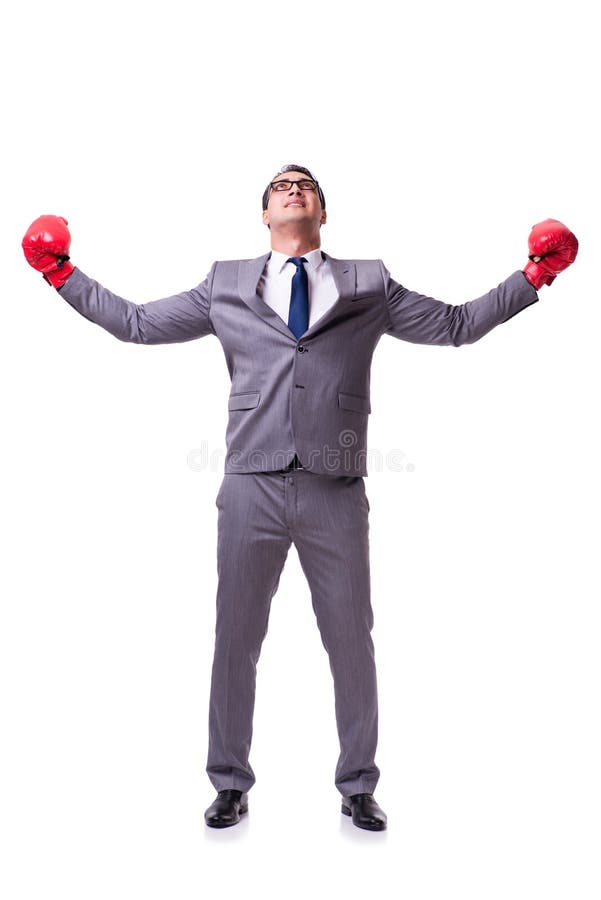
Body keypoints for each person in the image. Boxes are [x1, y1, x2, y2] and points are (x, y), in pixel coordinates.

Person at [22, 165, 578, 832]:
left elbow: (454, 325)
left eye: (306, 184)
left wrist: (534, 276)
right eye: (281, 185)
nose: (294, 188)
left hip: (334, 488)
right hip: (249, 481)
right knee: (236, 637)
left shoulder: (367, 283)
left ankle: (357, 786)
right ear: (263, 214)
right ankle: (228, 782)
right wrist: (61, 274)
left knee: (350, 639)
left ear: (322, 213)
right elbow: (139, 323)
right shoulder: (224, 283)